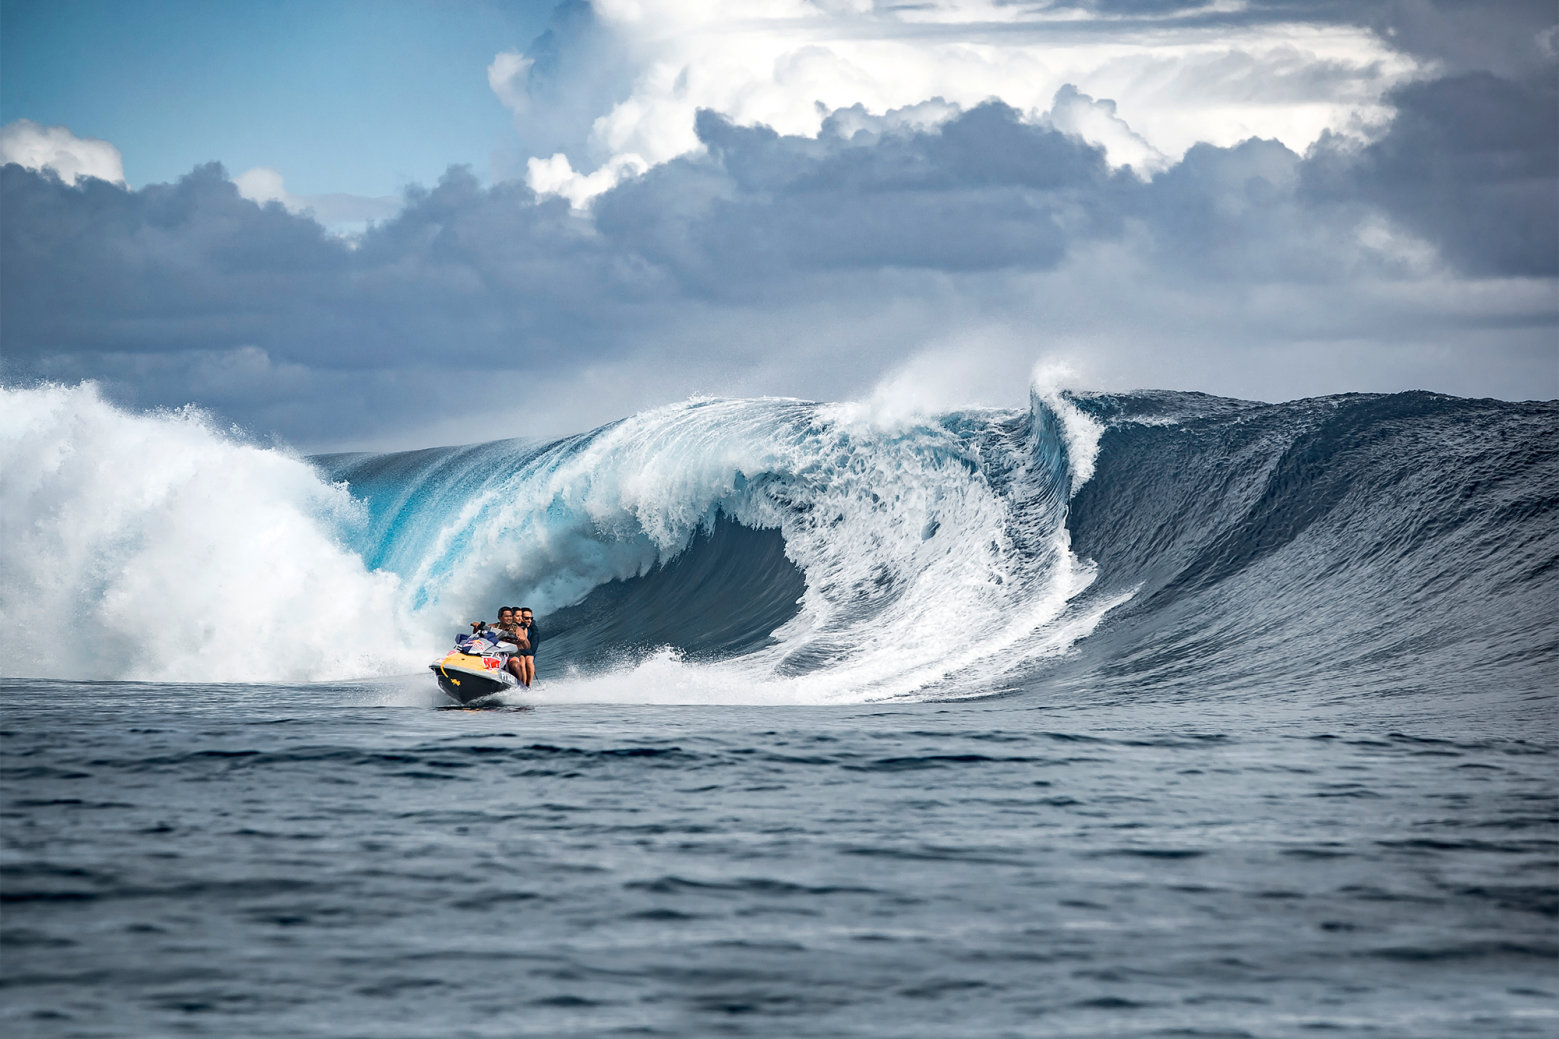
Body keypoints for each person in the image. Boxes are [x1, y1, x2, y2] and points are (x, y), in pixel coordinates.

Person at [515, 607, 540, 687]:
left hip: (529, 652)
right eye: (527, 618)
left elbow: (533, 648)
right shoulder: (515, 626)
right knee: (522, 662)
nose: (529, 620)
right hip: (520, 652)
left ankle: (529, 685)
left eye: (531, 618)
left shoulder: (533, 629)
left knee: (529, 661)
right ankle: (523, 684)